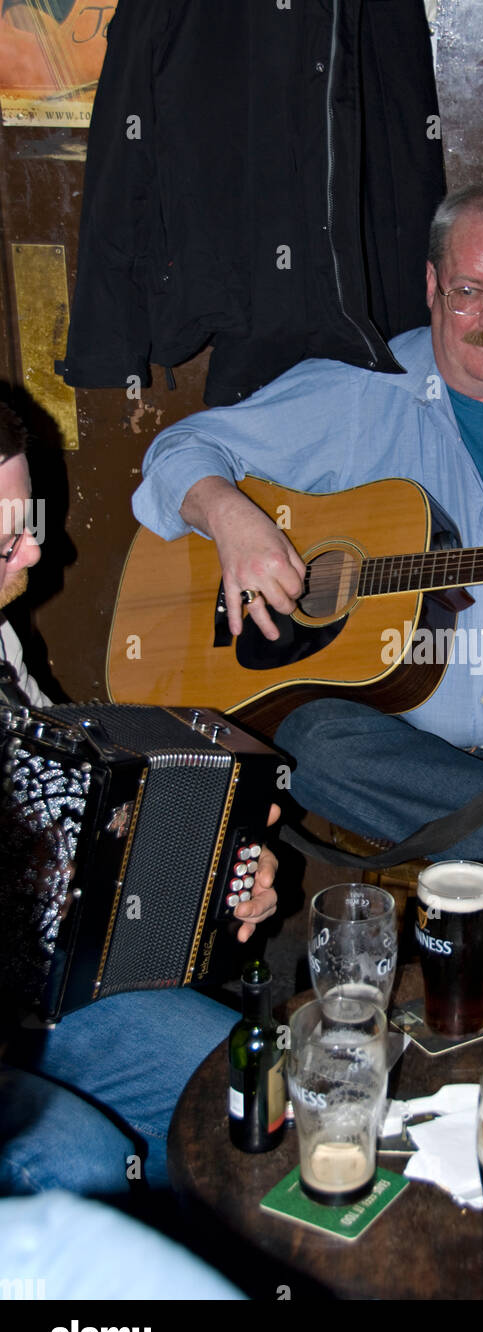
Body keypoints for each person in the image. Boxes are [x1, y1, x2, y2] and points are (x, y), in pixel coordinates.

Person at [134, 182, 483, 959]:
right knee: (317, 746)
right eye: (468, 291)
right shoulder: (359, 390)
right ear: (432, 285)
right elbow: (176, 455)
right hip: (380, 737)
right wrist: (231, 518)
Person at [0, 402, 279, 1196]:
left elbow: (73, 796)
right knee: (83, 1162)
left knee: (252, 1086)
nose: (40, 549)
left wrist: (213, 876)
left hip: (44, 991)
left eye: (28, 521)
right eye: (4, 542)